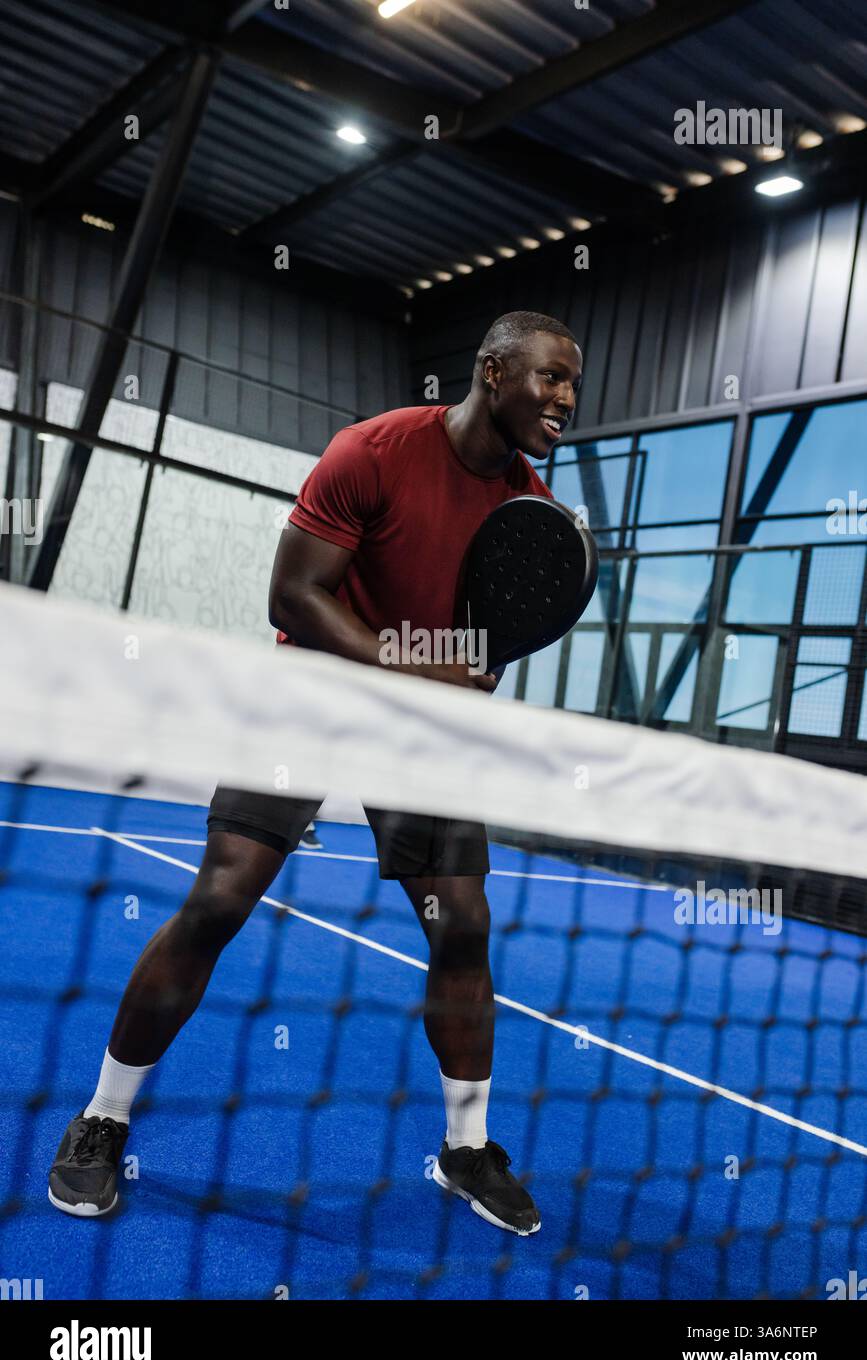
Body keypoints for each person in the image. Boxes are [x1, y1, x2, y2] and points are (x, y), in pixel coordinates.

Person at [48, 310, 583, 1236]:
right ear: (493, 372)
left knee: (462, 924)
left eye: (574, 383)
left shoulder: (527, 511)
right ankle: (102, 1115)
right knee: (219, 898)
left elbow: (482, 653)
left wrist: (447, 676)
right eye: (550, 378)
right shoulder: (372, 451)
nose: (566, 400)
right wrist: (417, 663)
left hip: (419, 726)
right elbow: (292, 594)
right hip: (306, 691)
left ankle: (464, 1148)